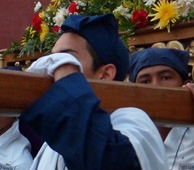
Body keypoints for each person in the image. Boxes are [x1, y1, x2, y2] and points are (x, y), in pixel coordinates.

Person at [20, 13, 166, 170]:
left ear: (105, 74)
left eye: (66, 58)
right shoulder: (55, 143)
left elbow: (109, 161)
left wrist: (67, 72)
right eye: (53, 59)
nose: (53, 68)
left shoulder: (135, 122)